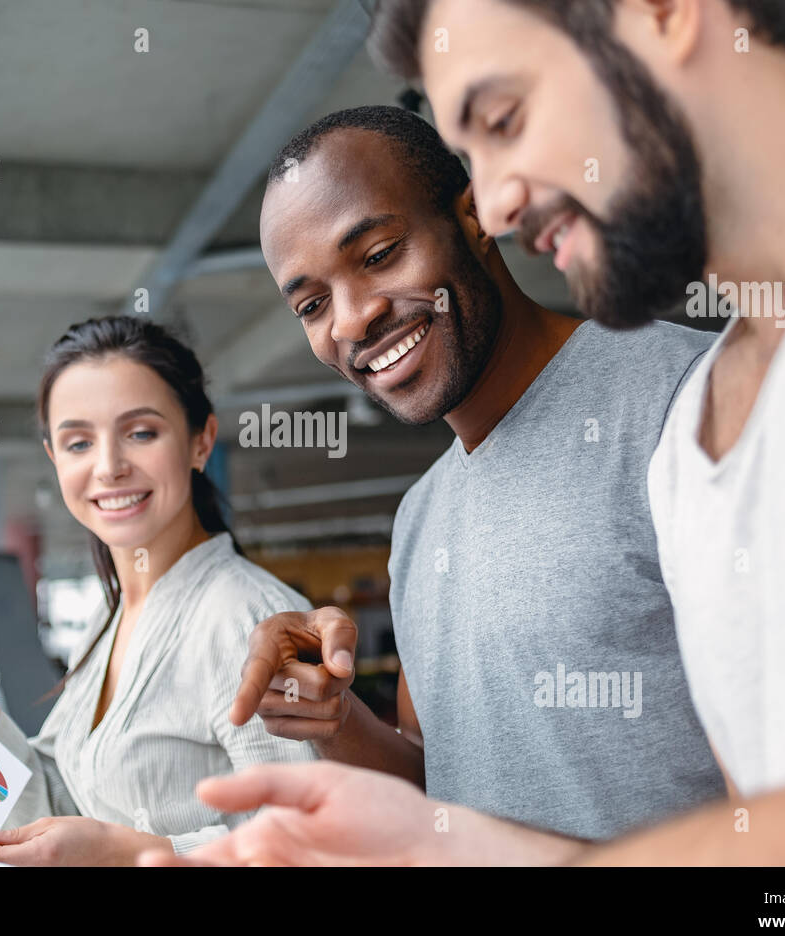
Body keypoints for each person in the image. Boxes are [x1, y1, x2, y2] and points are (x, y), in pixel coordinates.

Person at [142, 0, 785, 866]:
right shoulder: (710, 415)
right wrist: (345, 730)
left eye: (505, 119)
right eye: (309, 302)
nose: (502, 198)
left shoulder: (685, 398)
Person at [222, 103, 724, 856]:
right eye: (313, 304)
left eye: (380, 253)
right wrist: (336, 717)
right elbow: (441, 794)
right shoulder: (420, 520)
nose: (353, 319)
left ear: (476, 216)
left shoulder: (685, 402)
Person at [0, 315, 315, 865]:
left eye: (141, 433)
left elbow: (309, 841)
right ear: (54, 459)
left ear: (201, 441)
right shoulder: (108, 619)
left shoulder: (255, 620)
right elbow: (64, 805)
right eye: (78, 442)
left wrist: (132, 854)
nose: (109, 466)